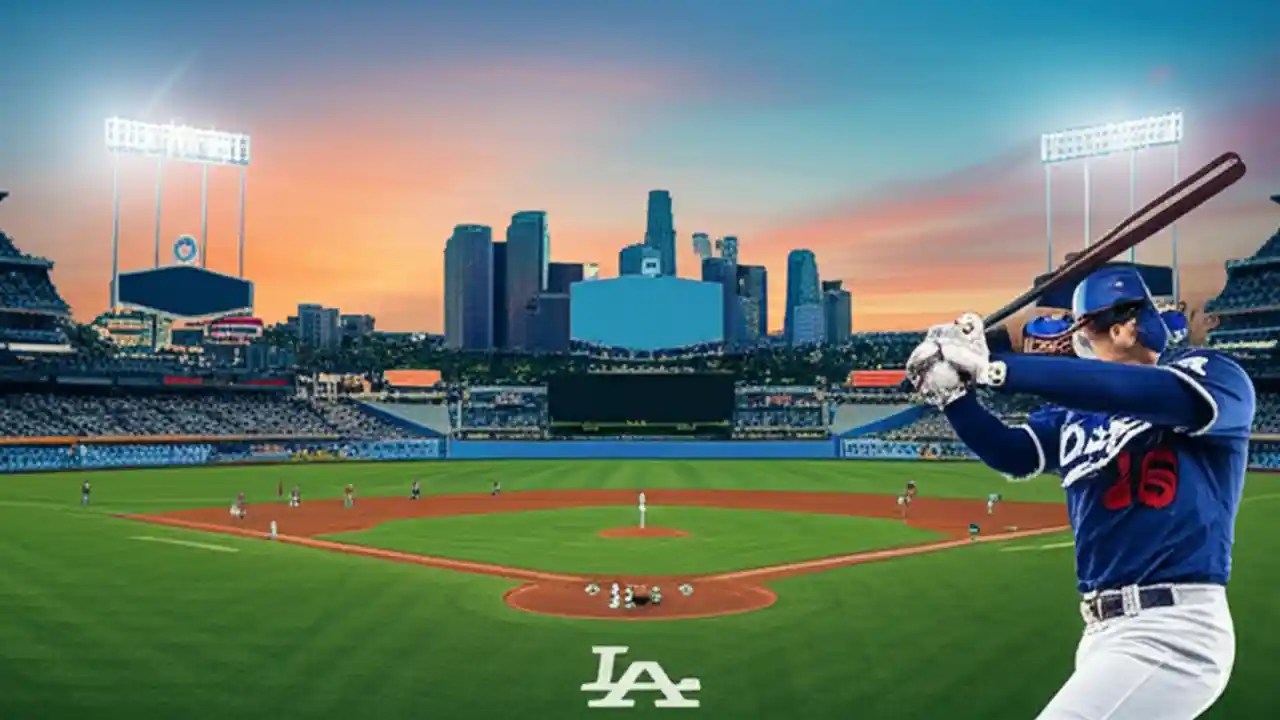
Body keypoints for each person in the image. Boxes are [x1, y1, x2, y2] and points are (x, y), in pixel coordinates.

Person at [906, 266, 1254, 719]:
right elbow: (1013, 453)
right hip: (1101, 632)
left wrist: (996, 369)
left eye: (1087, 327)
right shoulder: (1076, 414)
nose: (1080, 340)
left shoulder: (1210, 376)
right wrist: (955, 399)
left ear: (1128, 326)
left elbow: (1131, 389)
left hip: (1172, 628)